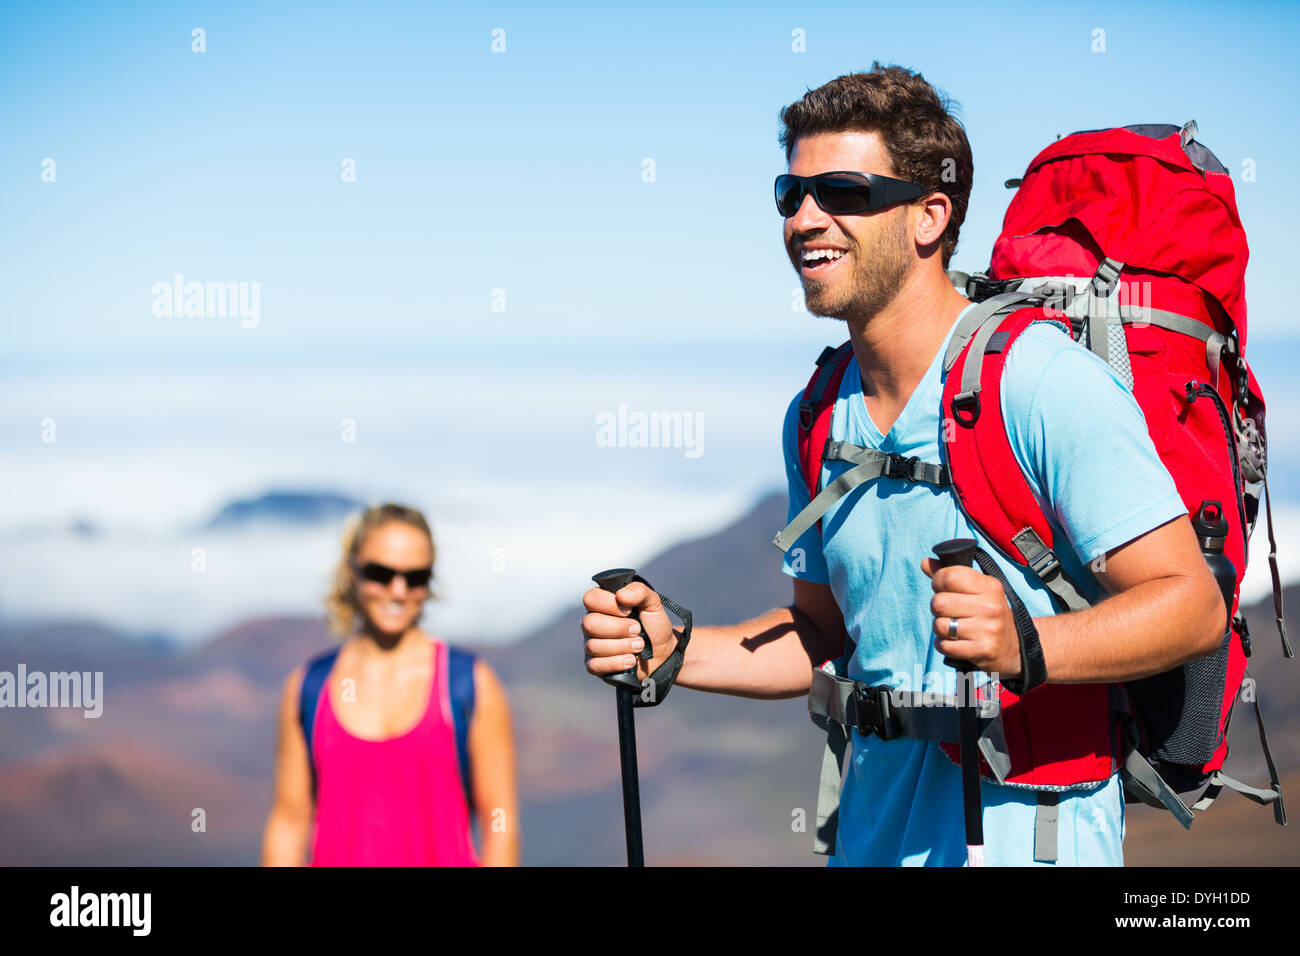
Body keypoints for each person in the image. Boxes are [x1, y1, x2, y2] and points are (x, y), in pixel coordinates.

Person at [580, 64, 1225, 866]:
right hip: (871, 832)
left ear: (929, 216)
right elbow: (824, 634)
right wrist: (675, 648)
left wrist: (1030, 644)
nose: (805, 219)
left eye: (843, 192)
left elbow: (1191, 608)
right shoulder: (818, 413)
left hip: (1031, 837)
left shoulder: (1035, 381)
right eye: (792, 193)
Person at [262, 503, 519, 866]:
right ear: (352, 572)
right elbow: (288, 825)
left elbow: (501, 829)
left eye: (416, 577)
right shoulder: (308, 689)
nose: (398, 591)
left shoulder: (469, 684)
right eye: (380, 573)